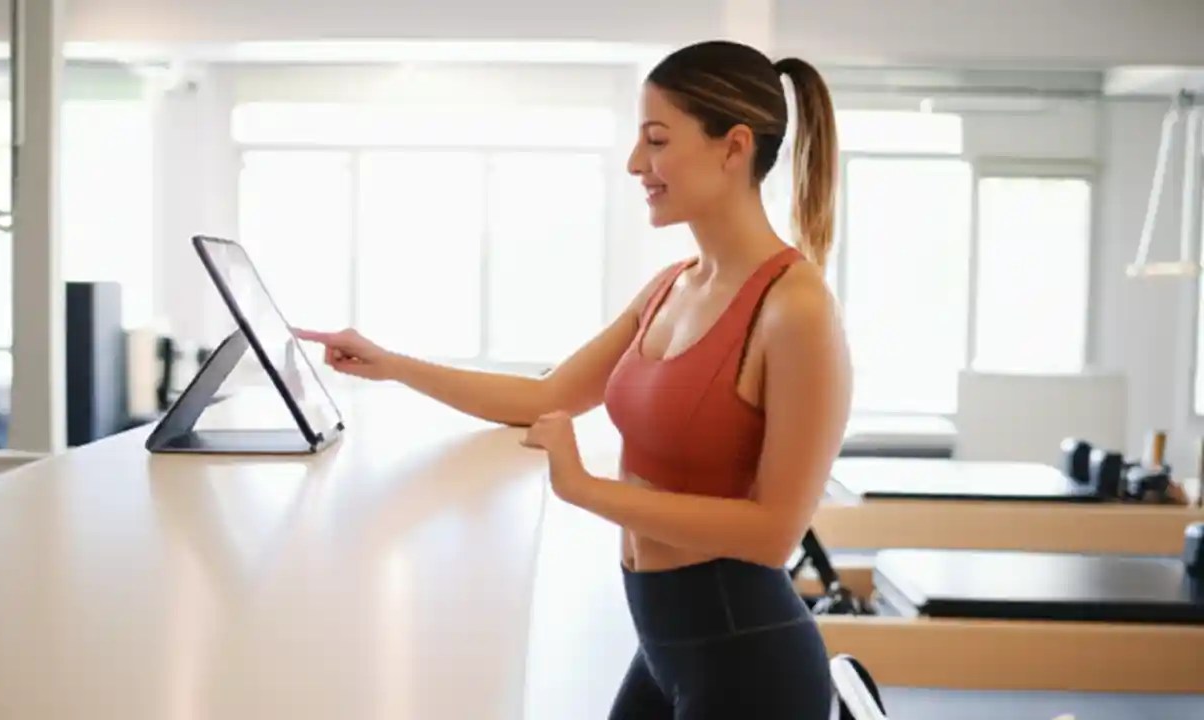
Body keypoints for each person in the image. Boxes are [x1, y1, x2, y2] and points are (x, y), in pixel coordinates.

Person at [296, 39, 850, 720]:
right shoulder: (670, 287)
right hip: (663, 644)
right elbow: (547, 395)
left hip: (750, 663)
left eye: (656, 139)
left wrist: (587, 489)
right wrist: (392, 364)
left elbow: (774, 532)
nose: (635, 164)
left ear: (733, 148)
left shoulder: (795, 308)